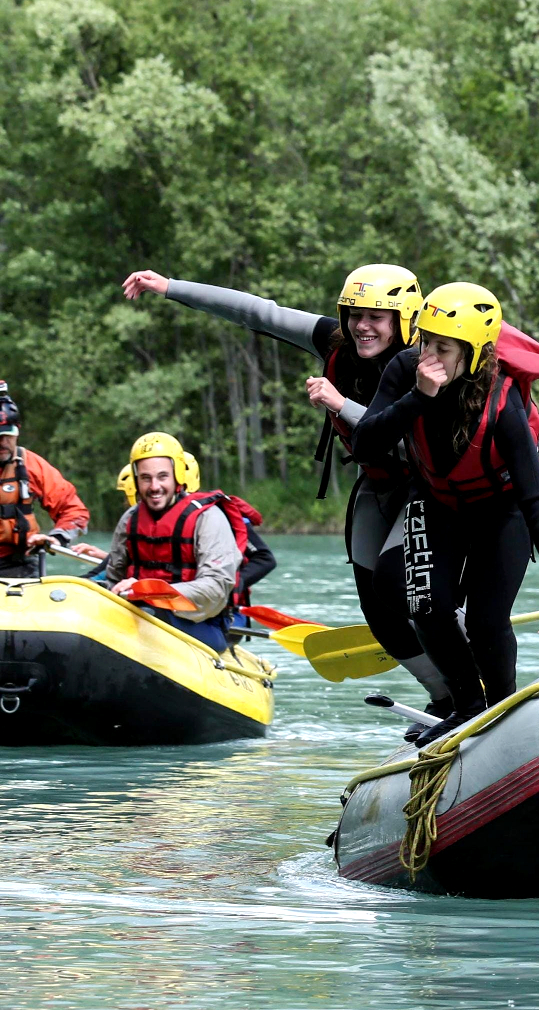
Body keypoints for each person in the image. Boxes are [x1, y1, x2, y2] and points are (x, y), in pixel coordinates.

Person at [121, 265, 451, 711]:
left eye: (376, 316)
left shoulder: (428, 363)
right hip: (375, 487)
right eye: (355, 314)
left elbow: (407, 441)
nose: (362, 326)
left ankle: (475, 681)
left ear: (404, 318)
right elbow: (260, 314)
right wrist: (171, 287)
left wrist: (341, 404)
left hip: (425, 490)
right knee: (379, 613)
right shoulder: (337, 342)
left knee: (400, 589)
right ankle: (446, 700)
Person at [353, 281, 539, 744]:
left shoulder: (505, 403)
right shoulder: (406, 370)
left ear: (474, 353)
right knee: (401, 586)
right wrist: (418, 396)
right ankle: (466, 704)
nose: (429, 356)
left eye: (443, 347)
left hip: (502, 512)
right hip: (439, 501)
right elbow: (365, 442)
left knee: (485, 622)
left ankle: (502, 709)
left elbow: (537, 502)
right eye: (425, 342)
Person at [101, 433, 261, 652]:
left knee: (152, 616)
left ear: (177, 475)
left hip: (200, 624)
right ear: (137, 479)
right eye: (146, 478)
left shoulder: (208, 519)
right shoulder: (130, 519)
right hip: (138, 616)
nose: (154, 486)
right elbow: (113, 579)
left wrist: (148, 593)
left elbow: (216, 588)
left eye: (162, 477)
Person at [0, 380, 90, 578]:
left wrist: (57, 537)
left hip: (19, 565)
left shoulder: (30, 465)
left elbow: (74, 510)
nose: (3, 442)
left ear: (18, 430)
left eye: (9, 435)